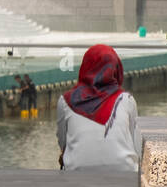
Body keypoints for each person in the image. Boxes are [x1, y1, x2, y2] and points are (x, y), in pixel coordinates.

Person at [56, 44, 142, 172]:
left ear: (85, 67)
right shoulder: (126, 100)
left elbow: (63, 142)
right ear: (116, 69)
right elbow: (136, 145)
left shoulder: (65, 101)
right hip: (125, 175)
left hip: (77, 174)